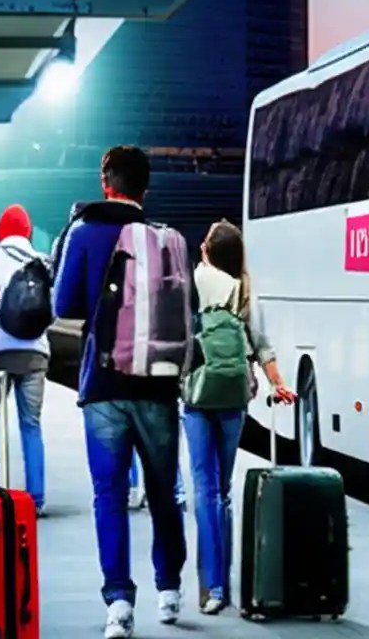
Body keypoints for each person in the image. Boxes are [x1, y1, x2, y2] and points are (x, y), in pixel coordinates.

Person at [52, 146, 188, 638]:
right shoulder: (167, 239)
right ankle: (170, 589)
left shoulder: (86, 232)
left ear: (105, 182)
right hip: (159, 384)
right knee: (162, 493)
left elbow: (63, 304)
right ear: (145, 188)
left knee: (109, 494)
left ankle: (119, 603)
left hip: (105, 385)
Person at [184, 219, 294, 615]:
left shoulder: (193, 282)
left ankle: (212, 585)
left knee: (204, 487)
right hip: (234, 395)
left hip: (197, 393)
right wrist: (278, 383)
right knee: (224, 491)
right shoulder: (244, 288)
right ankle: (225, 584)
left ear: (206, 251)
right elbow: (263, 344)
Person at [0, 204, 51, 515]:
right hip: (36, 352)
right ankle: (35, 496)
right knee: (31, 424)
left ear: (1, 230)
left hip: (1, 351)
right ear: (28, 231)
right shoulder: (42, 261)